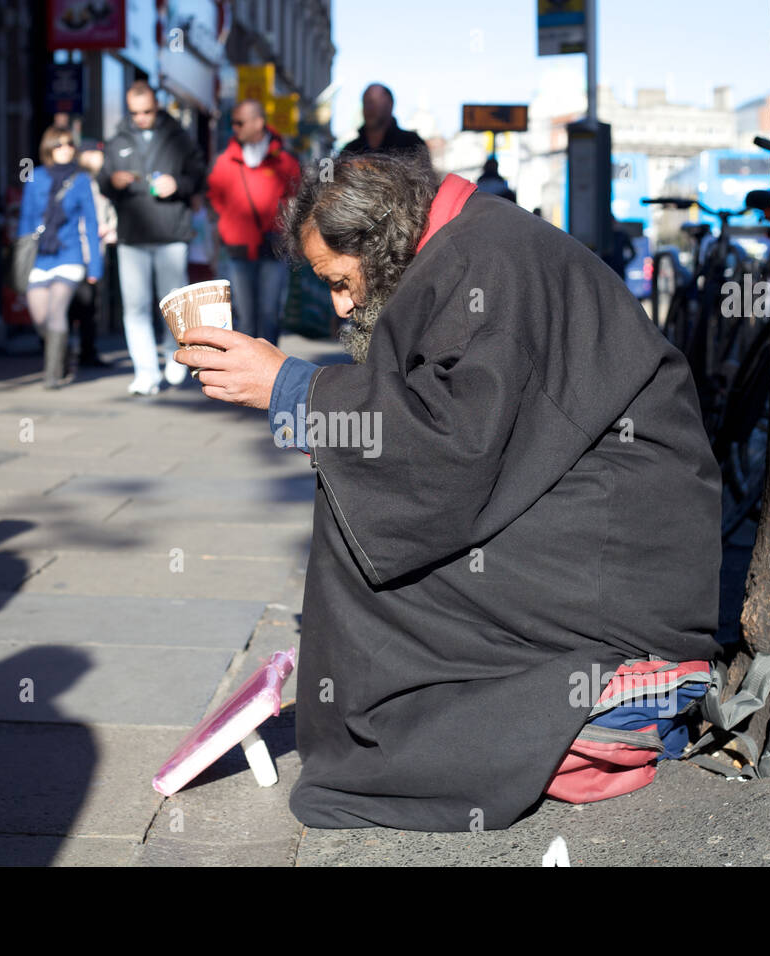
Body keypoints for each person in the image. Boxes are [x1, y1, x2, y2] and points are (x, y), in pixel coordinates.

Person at [172, 151, 722, 832]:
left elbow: (450, 445)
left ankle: (598, 702)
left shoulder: (481, 261)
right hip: (603, 528)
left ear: (384, 242)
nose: (343, 306)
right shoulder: (468, 246)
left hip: (623, 570)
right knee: (363, 507)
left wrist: (292, 389)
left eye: (342, 283)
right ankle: (534, 713)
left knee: (366, 526)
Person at [101, 81, 207, 396]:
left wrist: (179, 184)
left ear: (156, 106)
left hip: (170, 232)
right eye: (136, 113)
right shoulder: (117, 139)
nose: (142, 117)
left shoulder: (178, 136)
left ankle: (175, 357)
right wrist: (112, 181)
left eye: (147, 111)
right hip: (132, 236)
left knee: (172, 304)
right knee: (135, 306)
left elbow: (199, 175)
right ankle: (145, 372)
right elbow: (103, 181)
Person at [206, 99, 301, 346]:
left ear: (258, 122)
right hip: (238, 251)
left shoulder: (285, 160)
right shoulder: (225, 160)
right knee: (245, 319)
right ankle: (246, 376)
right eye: (232, 122)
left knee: (270, 315)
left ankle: (270, 375)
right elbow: (214, 199)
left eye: (239, 122)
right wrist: (226, 232)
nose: (234, 127)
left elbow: (297, 199)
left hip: (273, 248)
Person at [18, 126, 103, 389]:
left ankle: (52, 375)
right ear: (49, 148)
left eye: (69, 144)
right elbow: (26, 220)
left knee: (57, 312)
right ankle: (62, 350)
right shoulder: (35, 177)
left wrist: (95, 266)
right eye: (59, 144)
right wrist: (23, 257)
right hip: (41, 256)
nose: (65, 149)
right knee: (40, 318)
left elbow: (90, 223)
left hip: (70, 255)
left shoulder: (81, 180)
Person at [68, 139, 117, 368]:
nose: (100, 159)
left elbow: (109, 214)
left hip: (95, 252)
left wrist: (110, 228)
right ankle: (69, 353)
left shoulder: (100, 182)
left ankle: (87, 352)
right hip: (79, 252)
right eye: (96, 154)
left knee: (89, 308)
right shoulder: (78, 181)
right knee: (76, 306)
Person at [340, 83, 428, 157]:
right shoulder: (350, 149)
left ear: (390, 105)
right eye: (366, 103)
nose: (370, 108)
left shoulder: (412, 144)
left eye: (375, 103)